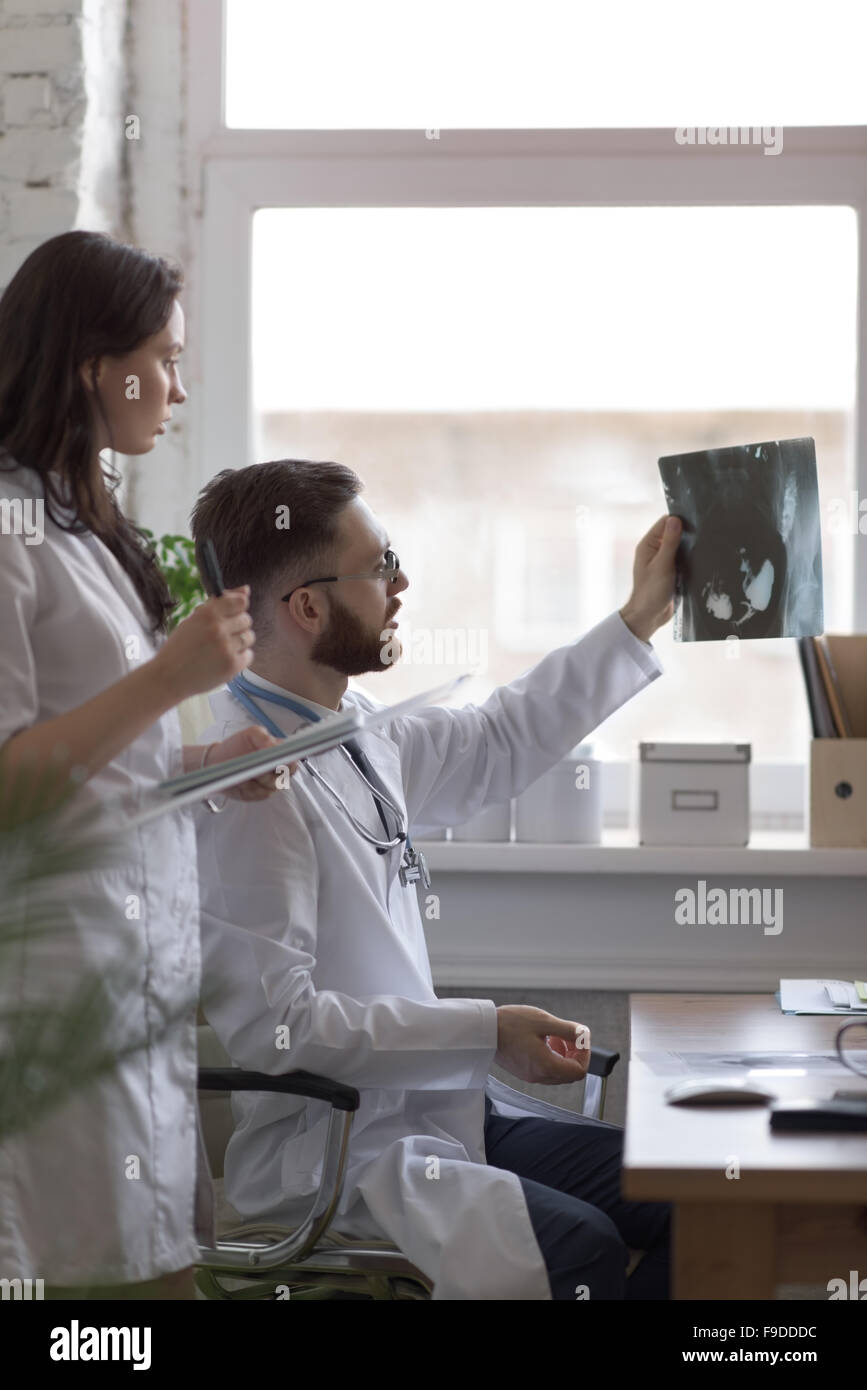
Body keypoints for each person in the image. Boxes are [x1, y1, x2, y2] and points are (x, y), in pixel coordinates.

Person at [191, 457, 682, 1300]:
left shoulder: (350, 731)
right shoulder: (251, 787)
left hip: (439, 1111)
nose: (401, 581)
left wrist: (638, 617)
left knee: (698, 1200)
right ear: (307, 606)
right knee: (583, 1251)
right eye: (380, 565)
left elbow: (500, 737)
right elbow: (281, 1027)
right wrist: (484, 1030)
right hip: (341, 1151)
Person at [0, 231, 282, 1299]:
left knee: (157, 1276)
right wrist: (169, 681)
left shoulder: (81, 530)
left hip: (129, 990)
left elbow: (94, 760)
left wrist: (205, 758)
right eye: (162, 355)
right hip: (52, 993)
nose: (176, 382)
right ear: (92, 367)